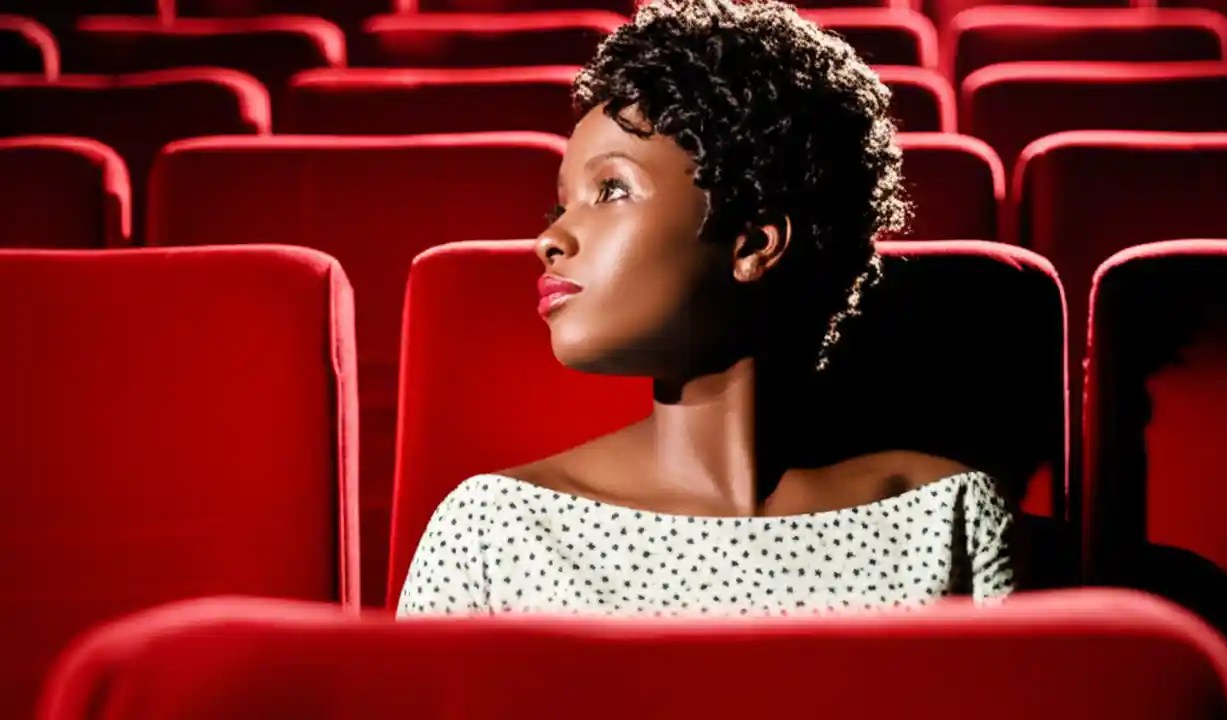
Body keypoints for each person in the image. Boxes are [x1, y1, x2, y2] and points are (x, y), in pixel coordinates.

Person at [397, 0, 1015, 619]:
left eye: (611, 190)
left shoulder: (944, 519)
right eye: (560, 205)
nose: (551, 239)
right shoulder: (494, 529)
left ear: (752, 244)